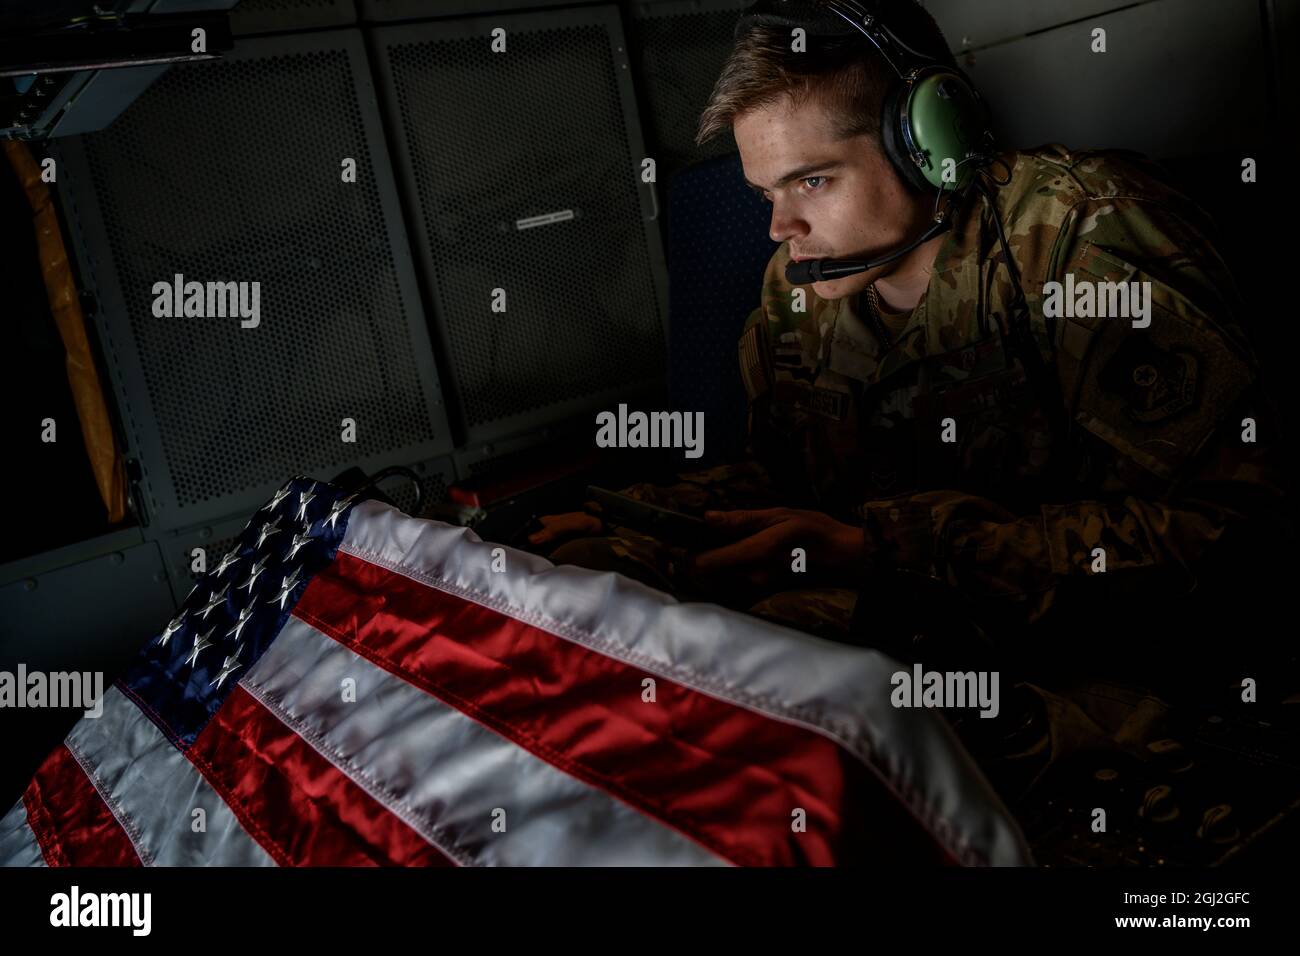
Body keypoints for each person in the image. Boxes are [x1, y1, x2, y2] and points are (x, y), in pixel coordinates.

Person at [529, 0, 1290, 803]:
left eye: (812, 180)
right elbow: (787, 481)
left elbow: (1238, 545)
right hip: (917, 624)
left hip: (1111, 669)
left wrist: (890, 549)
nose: (782, 227)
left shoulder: (1084, 240)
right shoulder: (803, 288)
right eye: (766, 197)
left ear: (930, 141)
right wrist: (638, 530)